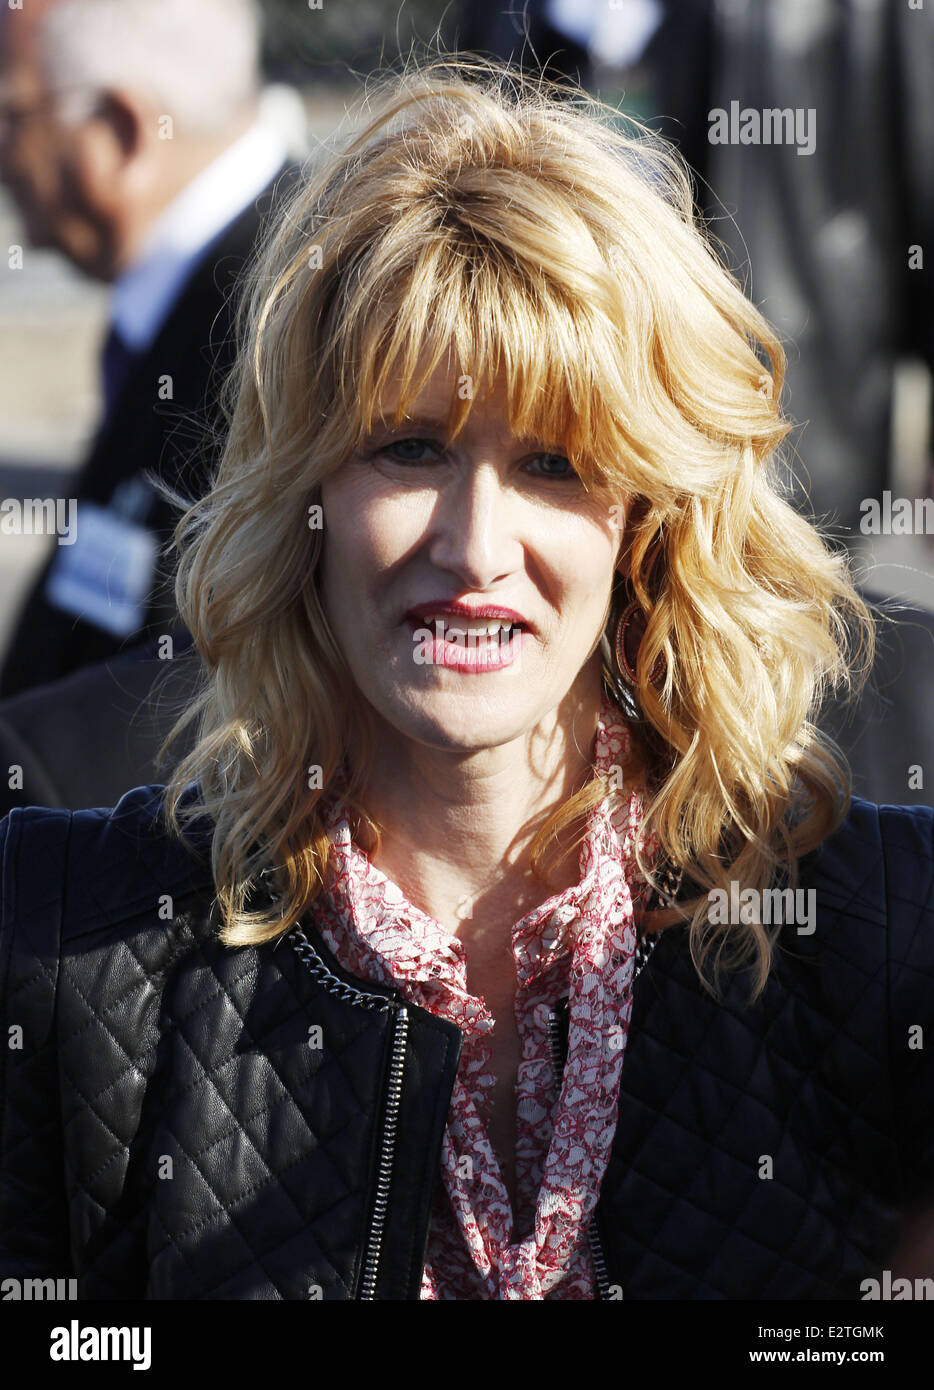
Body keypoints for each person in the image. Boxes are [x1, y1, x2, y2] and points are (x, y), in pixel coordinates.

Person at [1, 56, 932, 1302]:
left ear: (646, 516)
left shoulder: (879, 937)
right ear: (309, 493)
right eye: (410, 447)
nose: (473, 545)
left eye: (553, 461)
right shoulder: (61, 945)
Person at [0, 0, 293, 697]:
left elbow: (186, 707)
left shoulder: (283, 328)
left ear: (121, 130)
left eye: (13, 117)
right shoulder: (235, 288)